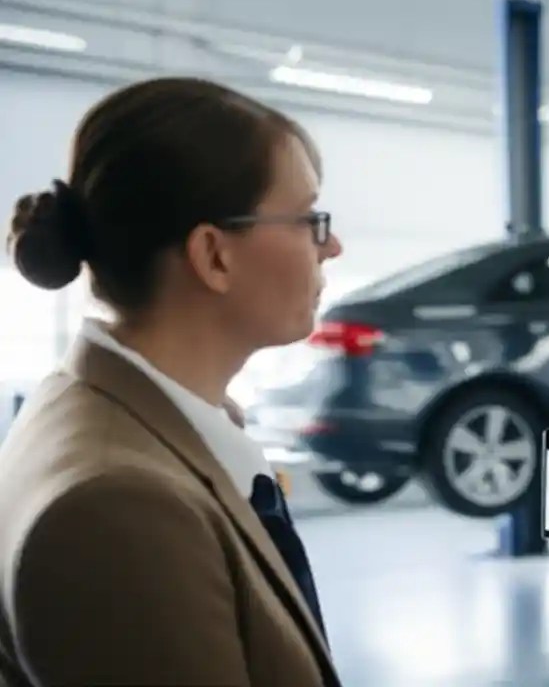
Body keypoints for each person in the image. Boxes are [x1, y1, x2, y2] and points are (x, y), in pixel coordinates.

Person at [0, 77, 344, 686]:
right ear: (214, 255)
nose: (332, 246)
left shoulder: (100, 409)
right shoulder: (121, 509)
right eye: (308, 219)